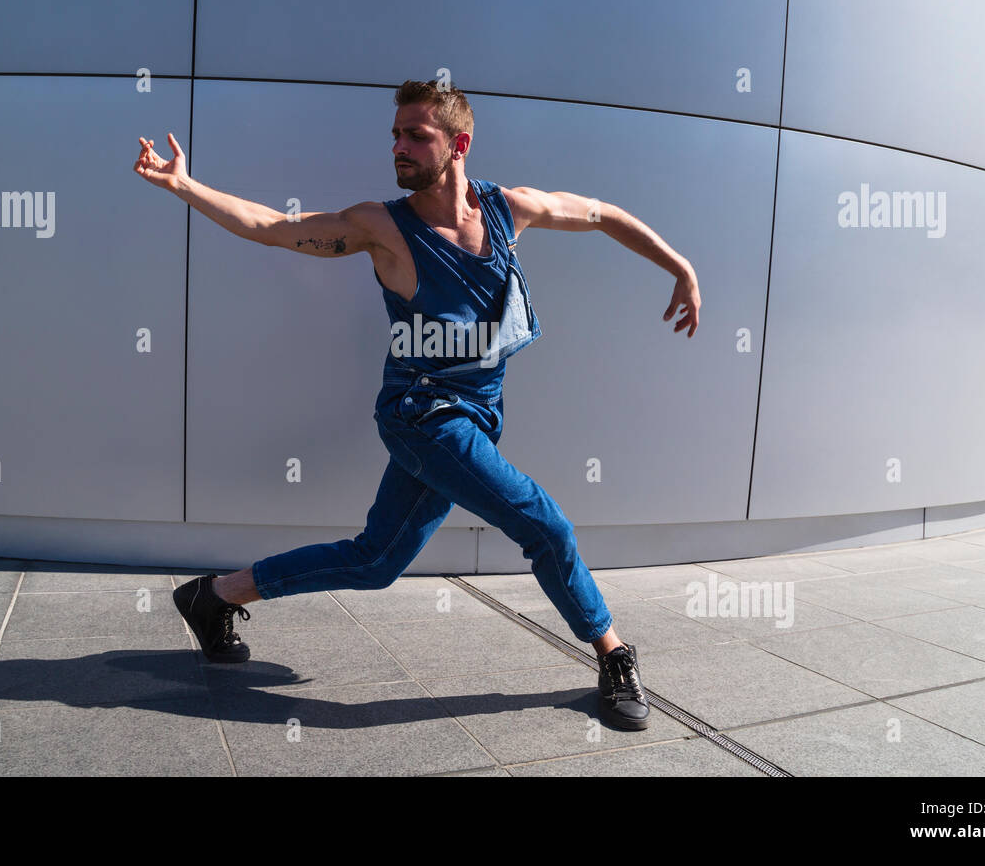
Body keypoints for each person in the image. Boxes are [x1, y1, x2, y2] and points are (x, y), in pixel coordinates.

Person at [133, 80, 700, 731]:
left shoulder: (507, 209)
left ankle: (215, 595)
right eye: (395, 135)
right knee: (545, 526)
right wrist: (185, 186)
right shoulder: (384, 226)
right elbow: (275, 227)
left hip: (479, 415)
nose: (398, 147)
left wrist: (677, 264)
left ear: (458, 144)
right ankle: (615, 653)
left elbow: (599, 213)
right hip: (425, 417)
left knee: (376, 560)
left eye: (415, 135)